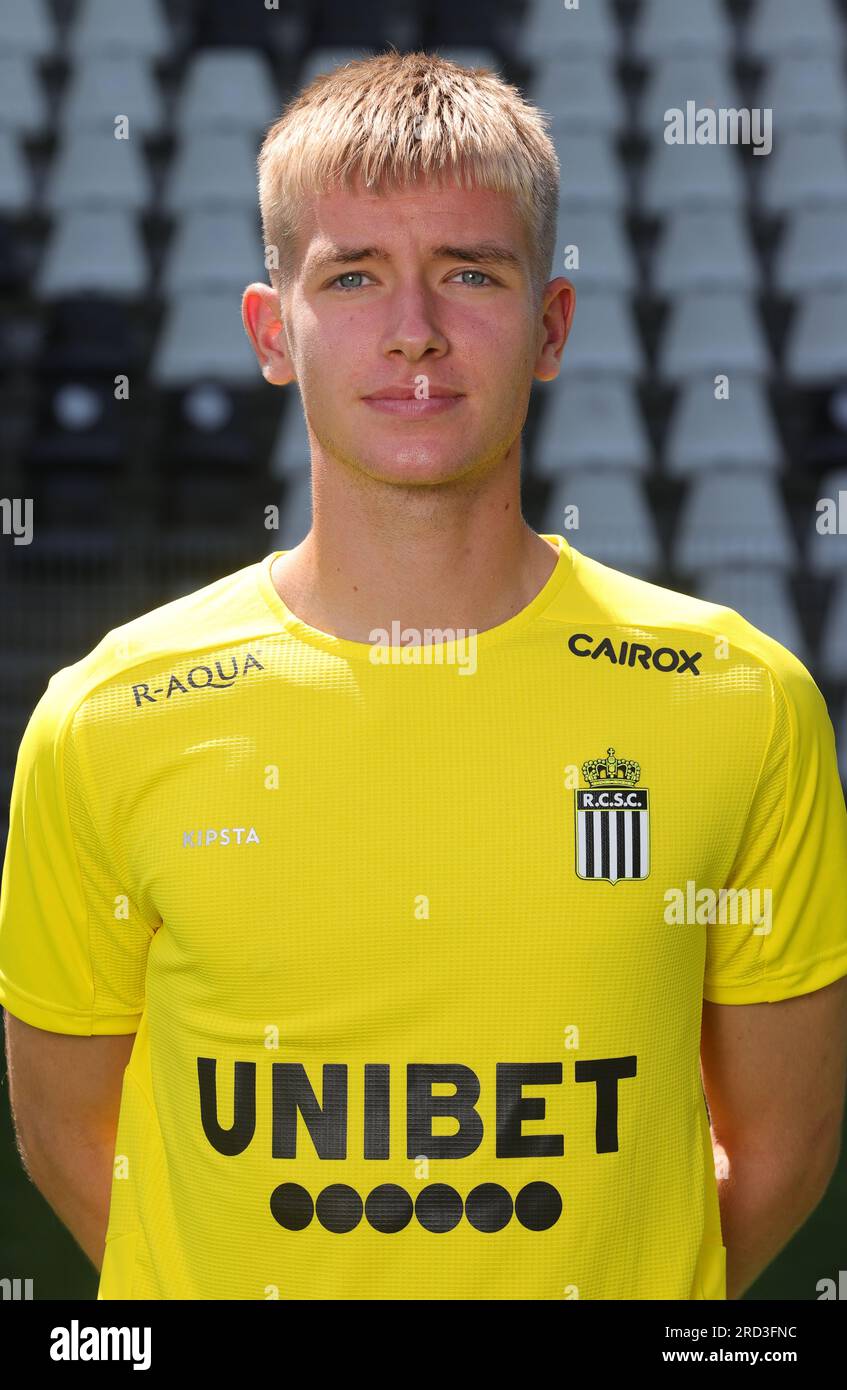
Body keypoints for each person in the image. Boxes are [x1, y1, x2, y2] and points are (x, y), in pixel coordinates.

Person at [2, 50, 847, 1302]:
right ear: (269, 333)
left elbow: (778, 1154)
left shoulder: (738, 701)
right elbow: (78, 1146)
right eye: (351, 276)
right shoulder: (108, 716)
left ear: (551, 325)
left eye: (470, 272)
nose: (414, 331)